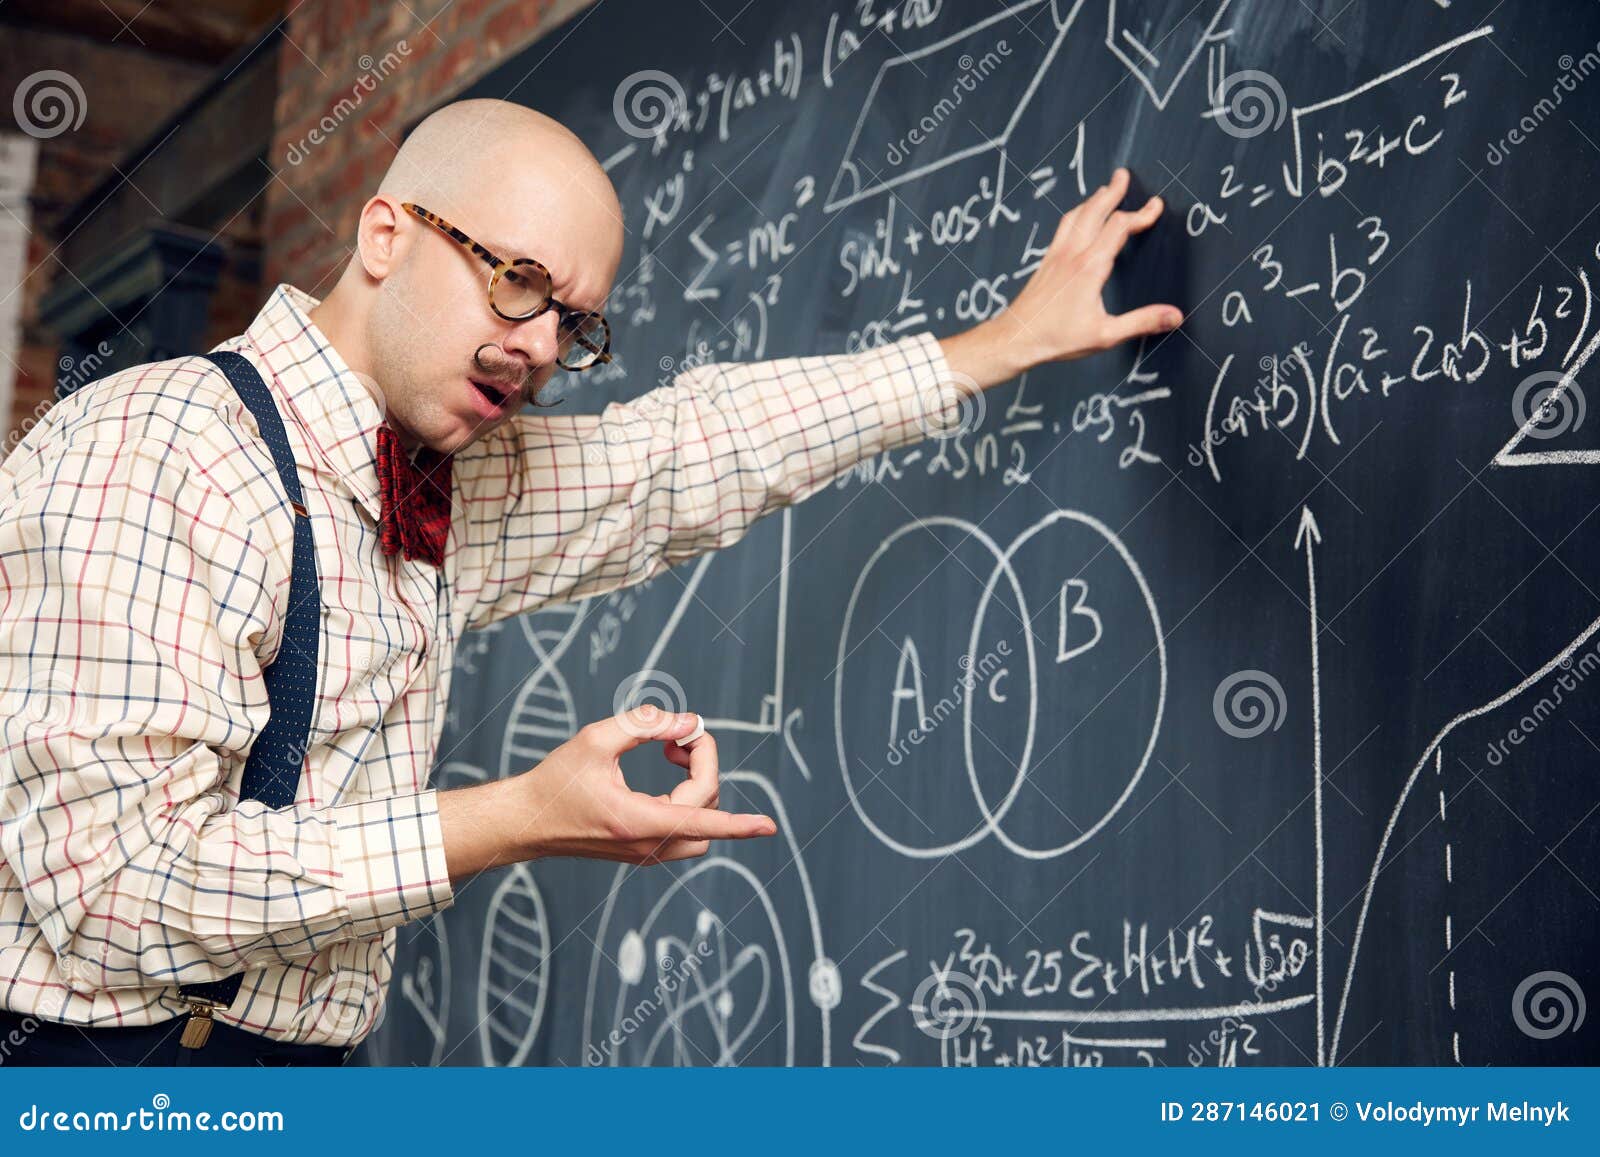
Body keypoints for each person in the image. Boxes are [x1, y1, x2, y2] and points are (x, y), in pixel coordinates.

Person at [0, 98, 1181, 1065]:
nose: (539, 348)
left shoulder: (435, 474)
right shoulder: (159, 448)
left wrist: (1000, 345)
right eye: (515, 279)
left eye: (575, 323)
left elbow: (683, 456)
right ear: (383, 235)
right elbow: (108, 887)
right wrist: (518, 816)